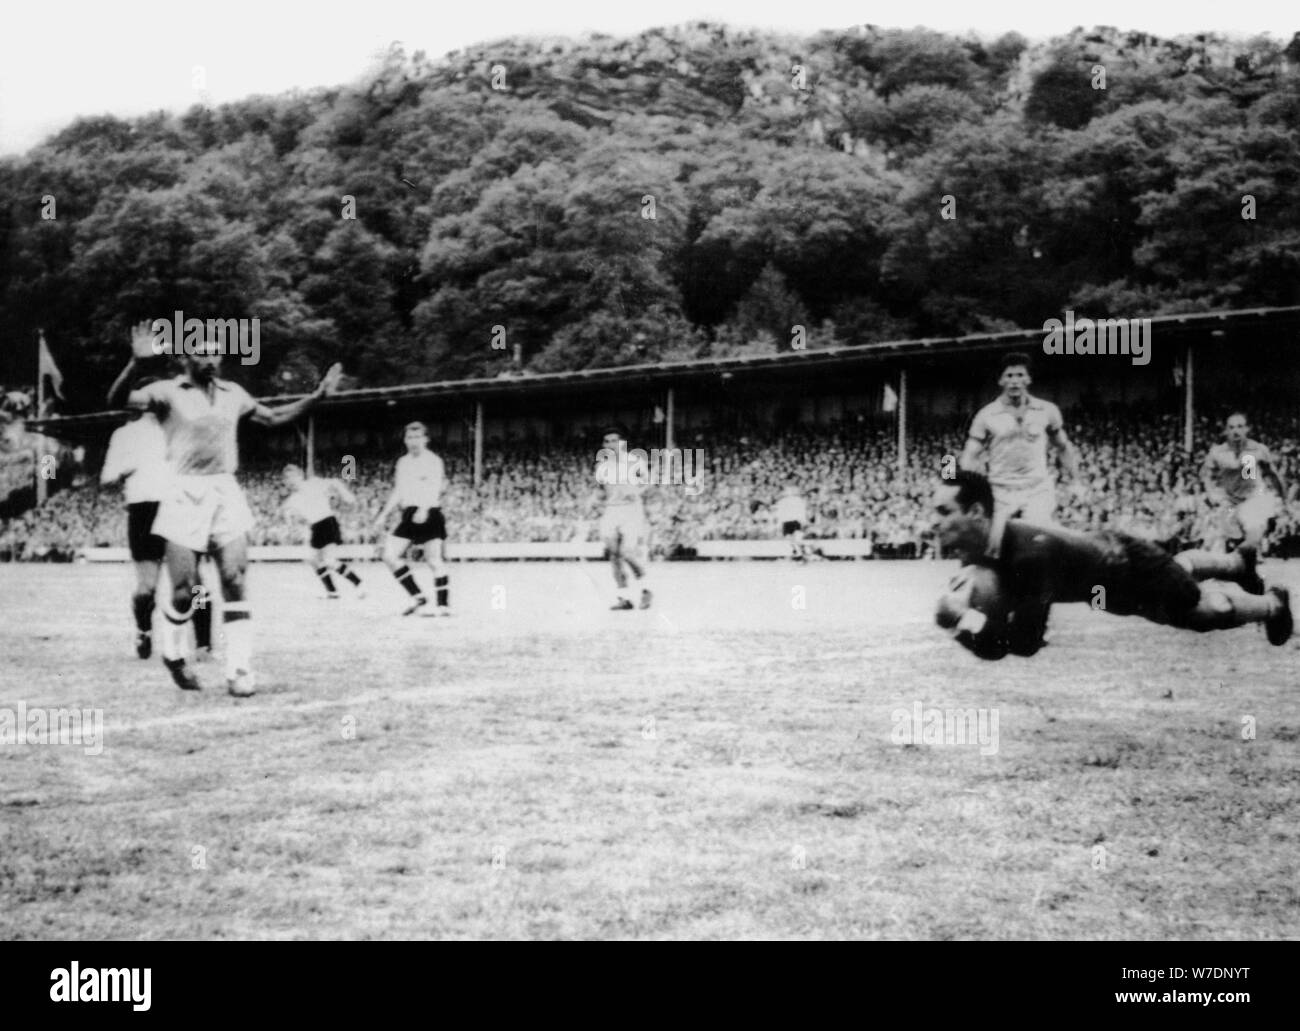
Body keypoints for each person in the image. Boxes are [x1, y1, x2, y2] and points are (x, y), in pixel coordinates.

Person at [107, 324, 342, 694]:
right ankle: (172, 652)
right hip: (183, 491)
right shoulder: (167, 392)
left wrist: (316, 397)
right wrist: (135, 364)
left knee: (234, 578)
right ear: (185, 357)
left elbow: (274, 417)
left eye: (216, 351)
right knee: (184, 591)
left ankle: (239, 669)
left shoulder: (234, 394)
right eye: (202, 351)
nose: (212, 358)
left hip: (225, 489)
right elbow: (117, 400)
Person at [932, 470, 1292, 659]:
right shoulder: (983, 550)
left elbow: (1024, 644)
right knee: (1177, 574)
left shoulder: (1029, 556)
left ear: (977, 513)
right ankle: (1236, 562)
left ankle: (1272, 604)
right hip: (1104, 580)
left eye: (944, 512)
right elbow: (999, 645)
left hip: (1127, 567)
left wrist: (965, 620)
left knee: (1197, 611)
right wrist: (967, 624)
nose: (934, 522)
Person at [959, 352, 1082, 554]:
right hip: (1000, 489)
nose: (1014, 381)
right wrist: (960, 483)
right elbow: (970, 454)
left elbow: (1063, 447)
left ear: (1028, 379)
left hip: (1036, 487)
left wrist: (1076, 480)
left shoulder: (1047, 410)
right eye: (1009, 376)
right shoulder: (986, 415)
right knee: (993, 547)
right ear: (1000, 380)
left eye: (1019, 375)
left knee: (1040, 541)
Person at [375, 422, 450, 616]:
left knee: (434, 560)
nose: (413, 441)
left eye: (417, 437)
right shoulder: (403, 462)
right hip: (409, 513)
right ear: (405, 440)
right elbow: (399, 490)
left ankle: (443, 606)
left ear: (425, 439)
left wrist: (424, 509)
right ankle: (417, 596)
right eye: (409, 437)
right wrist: (383, 515)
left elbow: (435, 487)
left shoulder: (433, 460)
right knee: (389, 555)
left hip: (430, 512)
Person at [1200, 412, 1288, 556]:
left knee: (1252, 532)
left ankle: (1252, 562)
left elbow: (1272, 475)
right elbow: (1207, 477)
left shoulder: (1258, 449)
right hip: (1229, 499)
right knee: (1231, 536)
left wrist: (1283, 499)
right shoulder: (1217, 452)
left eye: (1240, 427)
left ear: (1247, 429)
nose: (1236, 431)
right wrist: (1212, 494)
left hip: (1253, 496)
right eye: (1232, 427)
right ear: (1226, 430)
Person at [280, 463, 364, 598]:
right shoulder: (293, 499)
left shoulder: (314, 483)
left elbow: (335, 482)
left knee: (330, 561)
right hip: (315, 527)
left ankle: (358, 584)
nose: (290, 481)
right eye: (287, 479)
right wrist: (291, 526)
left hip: (328, 522)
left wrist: (347, 495)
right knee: (314, 560)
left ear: (300, 476)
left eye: (292, 477)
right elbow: (286, 512)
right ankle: (332, 591)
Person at [592, 428, 651, 610]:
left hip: (631, 511)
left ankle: (646, 589)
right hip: (611, 511)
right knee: (614, 556)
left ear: (622, 443)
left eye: (614, 441)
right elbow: (600, 490)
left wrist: (635, 493)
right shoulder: (601, 466)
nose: (610, 444)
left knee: (627, 552)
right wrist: (594, 500)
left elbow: (648, 484)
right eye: (607, 441)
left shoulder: (635, 461)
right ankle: (624, 599)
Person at [773, 482, 811, 561]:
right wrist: (778, 524)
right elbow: (779, 514)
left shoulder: (799, 500)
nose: (790, 492)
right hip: (786, 522)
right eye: (788, 491)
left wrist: (804, 521)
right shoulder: (781, 501)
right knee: (791, 540)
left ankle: (800, 553)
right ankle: (800, 553)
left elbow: (802, 511)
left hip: (796, 521)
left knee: (796, 539)